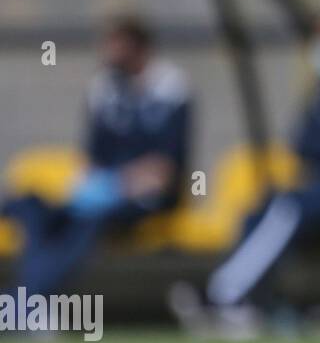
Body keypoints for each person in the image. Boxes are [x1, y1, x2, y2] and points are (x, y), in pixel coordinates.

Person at [197, 12, 320, 328]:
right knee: (260, 210)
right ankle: (253, 300)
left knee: (287, 209)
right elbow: (303, 145)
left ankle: (226, 294)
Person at [3, 16, 191, 300]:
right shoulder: (104, 89)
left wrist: (117, 184)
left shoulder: (171, 91)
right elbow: (92, 159)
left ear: (139, 48)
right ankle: (26, 303)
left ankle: (25, 305)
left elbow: (162, 172)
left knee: (89, 222)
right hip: (107, 192)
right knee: (35, 212)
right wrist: (98, 187)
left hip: (147, 200)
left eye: (118, 45)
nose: (110, 53)